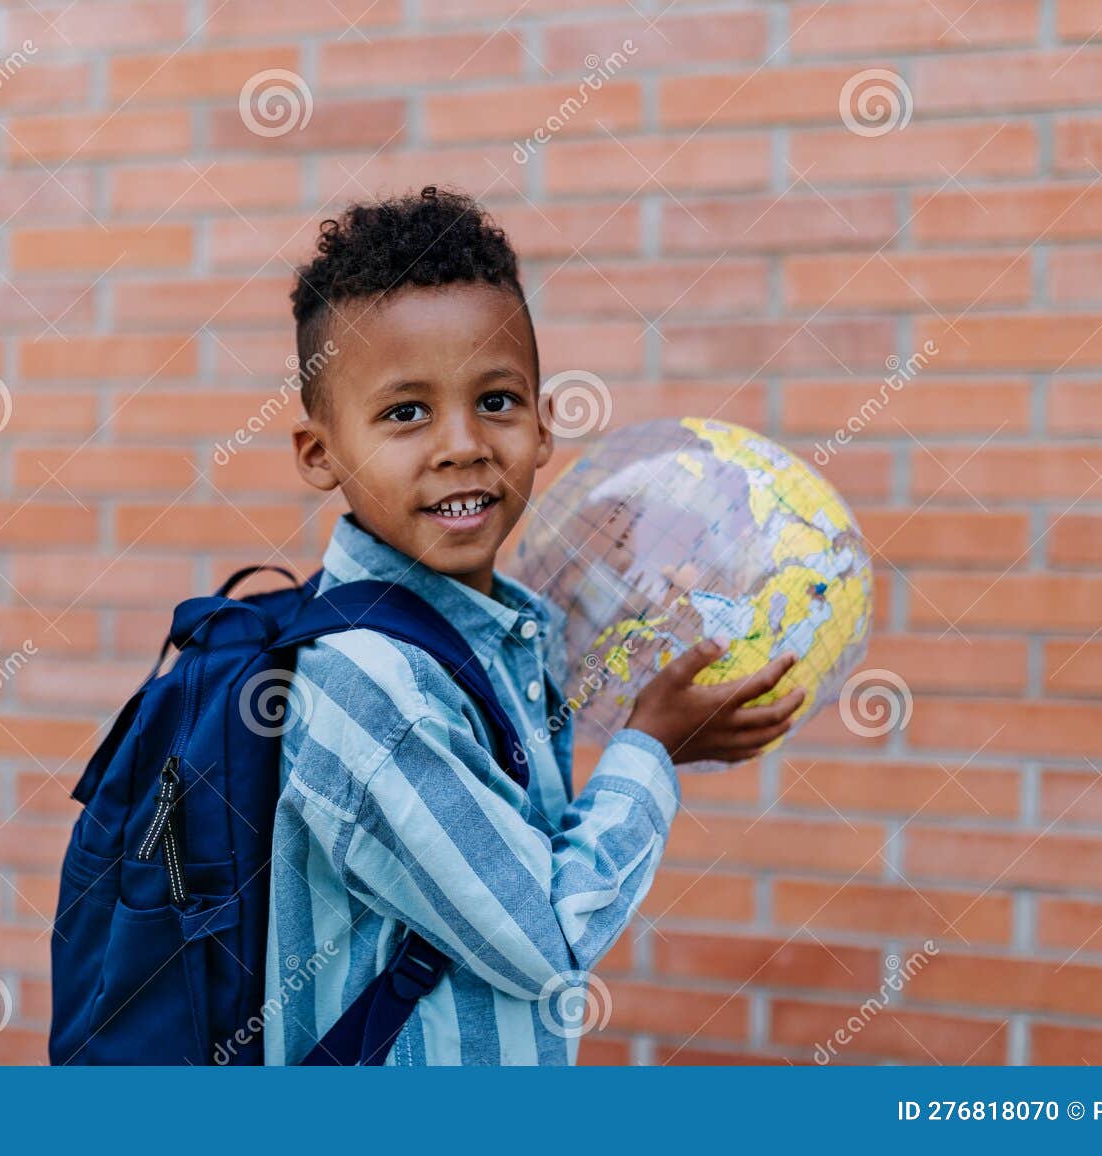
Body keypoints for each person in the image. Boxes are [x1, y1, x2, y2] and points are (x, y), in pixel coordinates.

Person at [261, 184, 806, 1065]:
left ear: (546, 427)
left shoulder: (490, 631)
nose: (463, 443)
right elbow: (546, 938)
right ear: (319, 453)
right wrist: (651, 750)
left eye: (498, 401)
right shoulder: (370, 679)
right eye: (406, 412)